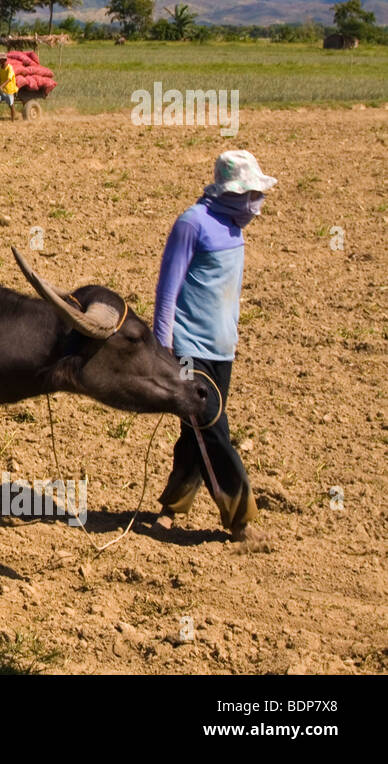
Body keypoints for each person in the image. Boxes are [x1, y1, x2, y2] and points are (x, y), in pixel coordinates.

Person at [152, 150, 276, 542]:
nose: (255, 203)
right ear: (229, 192)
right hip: (190, 348)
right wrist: (162, 347)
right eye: (249, 194)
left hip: (223, 348)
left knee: (197, 432)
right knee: (213, 430)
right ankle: (240, 517)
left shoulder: (234, 226)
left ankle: (171, 508)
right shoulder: (193, 223)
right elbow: (167, 290)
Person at [0, 53, 17, 121]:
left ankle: (13, 120)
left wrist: (1, 87)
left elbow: (9, 79)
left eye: (0, 60)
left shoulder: (9, 68)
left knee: (11, 105)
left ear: (4, 60)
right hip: (1, 89)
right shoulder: (0, 67)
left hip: (9, 89)